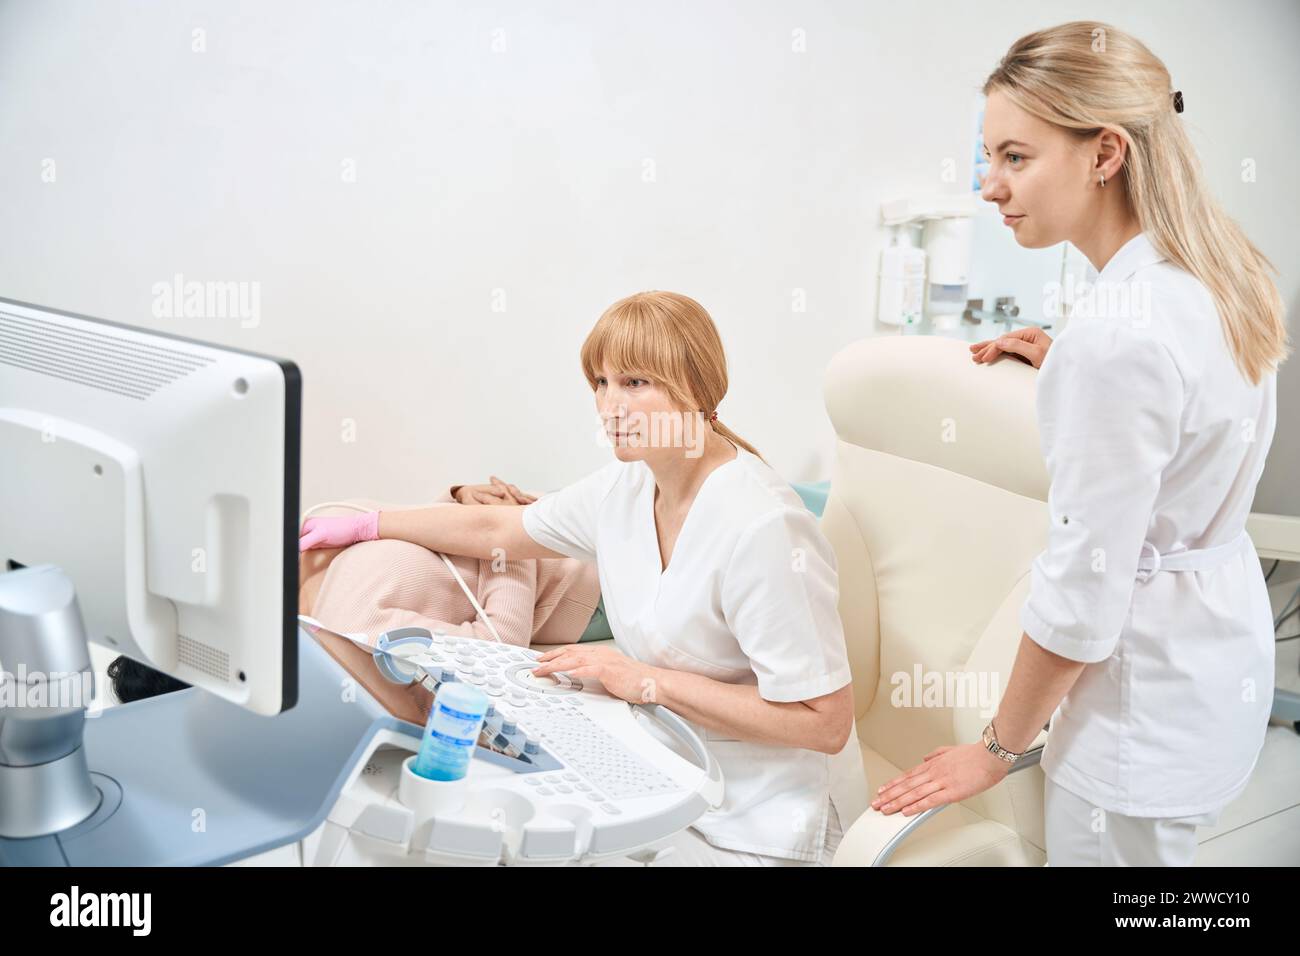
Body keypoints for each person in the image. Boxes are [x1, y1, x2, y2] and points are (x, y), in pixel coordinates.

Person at [872, 22, 1288, 866]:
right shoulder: (1220, 276)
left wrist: (994, 750)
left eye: (1014, 158)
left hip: (1139, 714)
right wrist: (1070, 364)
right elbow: (1187, 423)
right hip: (1215, 664)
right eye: (988, 158)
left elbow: (1082, 595)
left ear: (1104, 154)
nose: (989, 186)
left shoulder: (1117, 340)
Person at [301, 290, 870, 866]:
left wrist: (646, 681)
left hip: (758, 824)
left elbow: (824, 723)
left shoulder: (765, 529)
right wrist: (370, 523)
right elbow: (499, 528)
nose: (609, 406)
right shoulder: (627, 488)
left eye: (634, 383)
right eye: (601, 382)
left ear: (695, 387)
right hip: (661, 774)